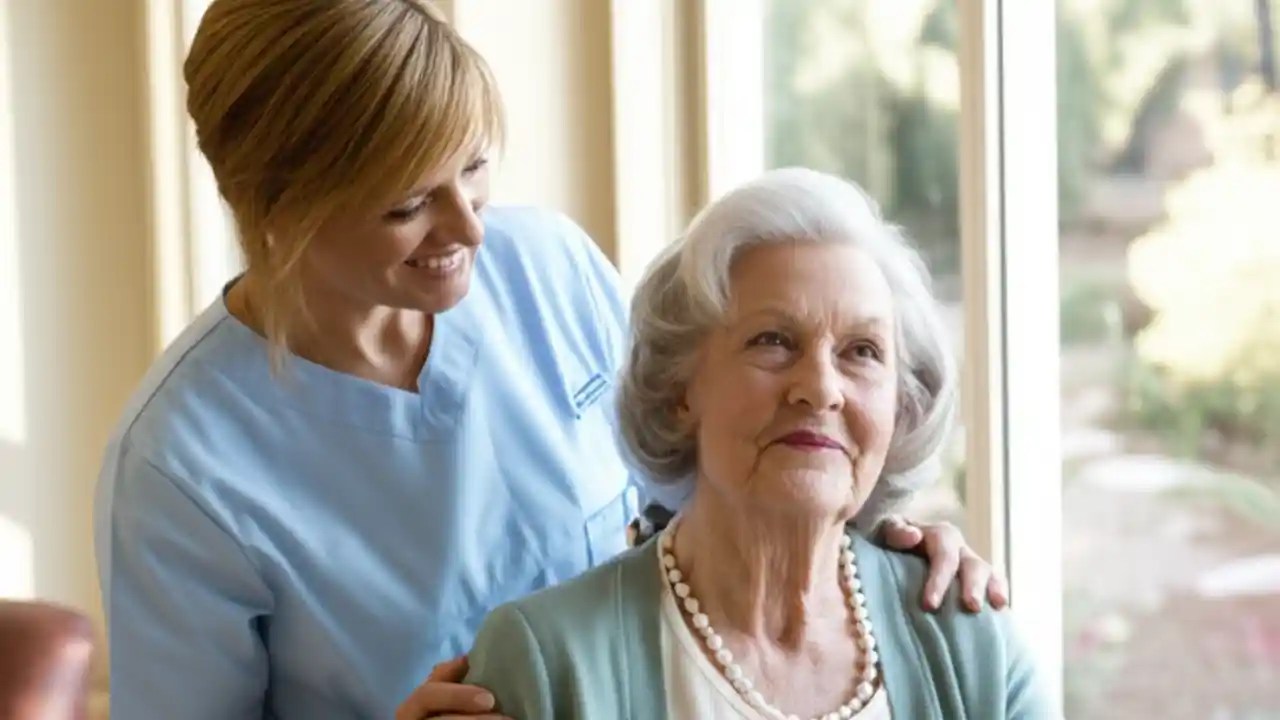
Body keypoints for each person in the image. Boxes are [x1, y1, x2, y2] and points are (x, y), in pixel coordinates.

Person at [92, 2, 1006, 718]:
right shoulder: (180, 468)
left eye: (475, 168)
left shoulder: (549, 269)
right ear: (278, 208)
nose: (468, 228)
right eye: (408, 204)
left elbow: (721, 493)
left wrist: (878, 550)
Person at [463, 168, 1054, 720]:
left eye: (862, 352)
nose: (820, 389)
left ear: (900, 406)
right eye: (773, 341)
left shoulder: (970, 639)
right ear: (678, 389)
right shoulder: (544, 660)